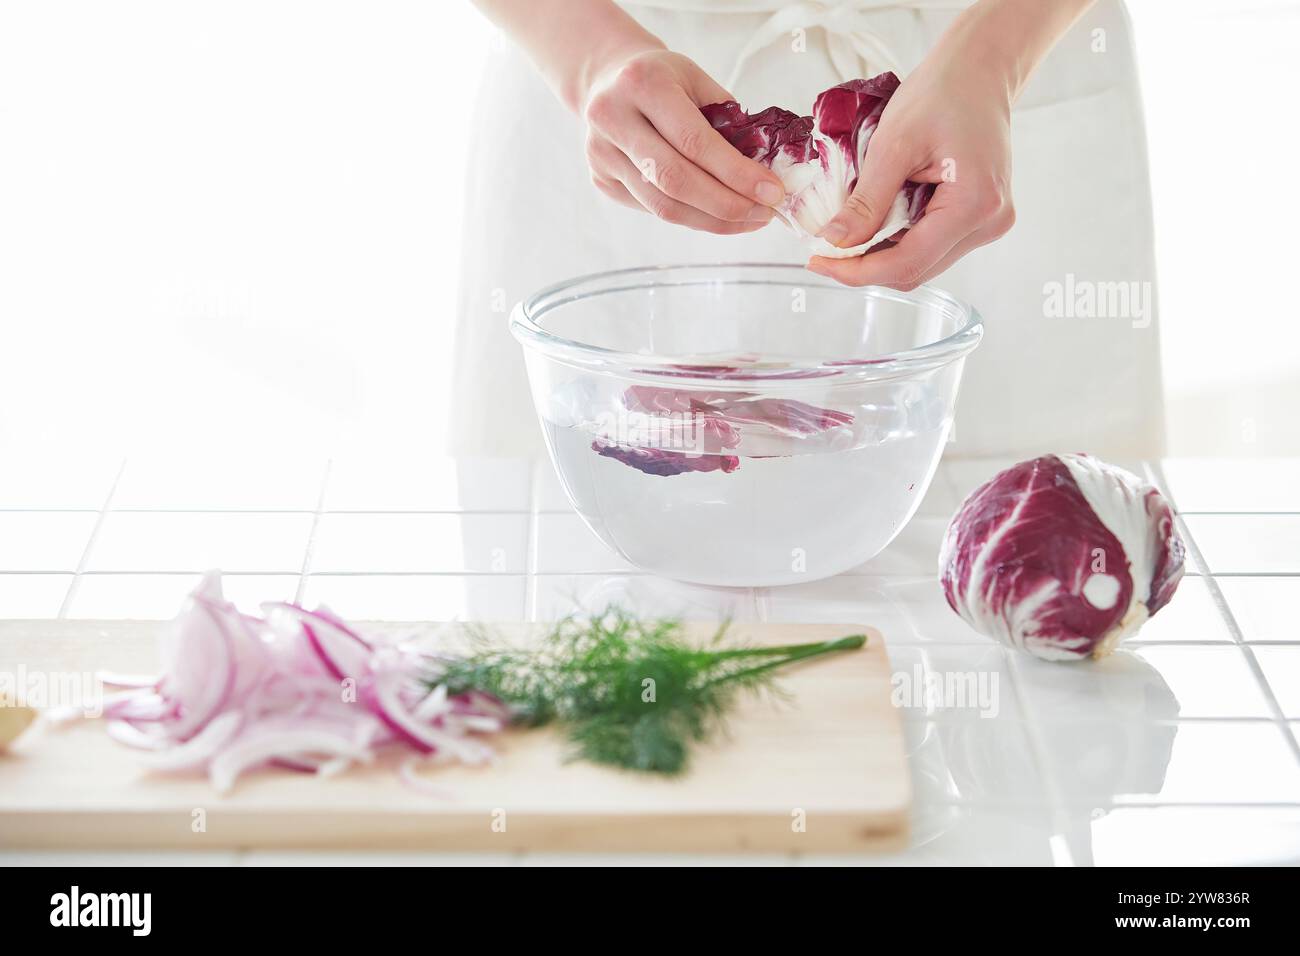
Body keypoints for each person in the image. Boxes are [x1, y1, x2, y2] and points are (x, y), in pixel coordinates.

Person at [453, 0, 1162, 461]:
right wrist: (586, 55)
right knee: (586, 602)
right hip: (621, 86)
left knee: (1034, 612)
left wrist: (994, 56)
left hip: (999, 62)